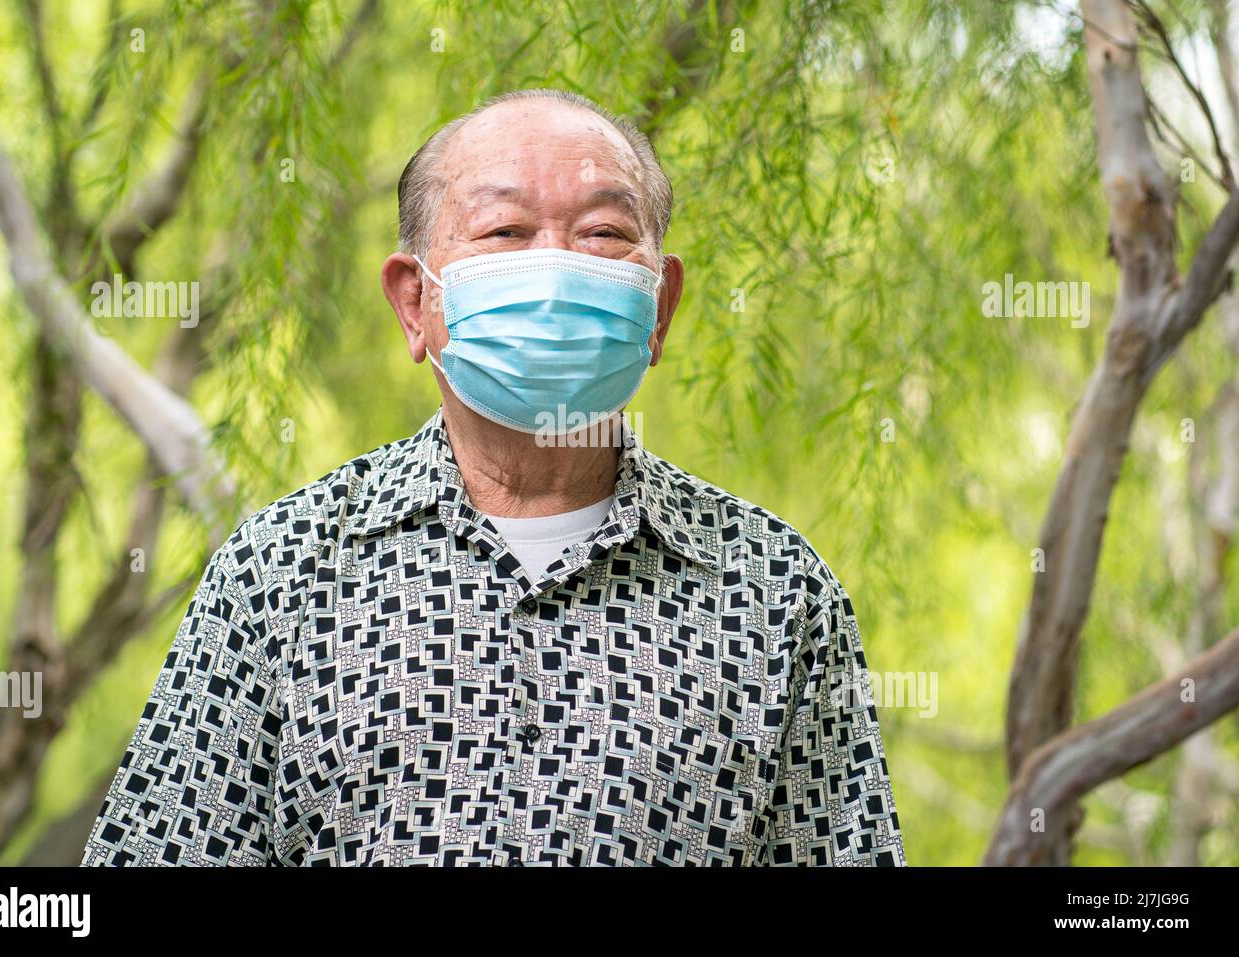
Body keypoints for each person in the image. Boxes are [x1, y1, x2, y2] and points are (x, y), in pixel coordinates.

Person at [81, 88, 905, 866]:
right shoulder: (280, 575)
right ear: (415, 303)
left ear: (659, 308)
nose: (554, 269)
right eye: (506, 231)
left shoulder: (776, 592)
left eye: (604, 235)